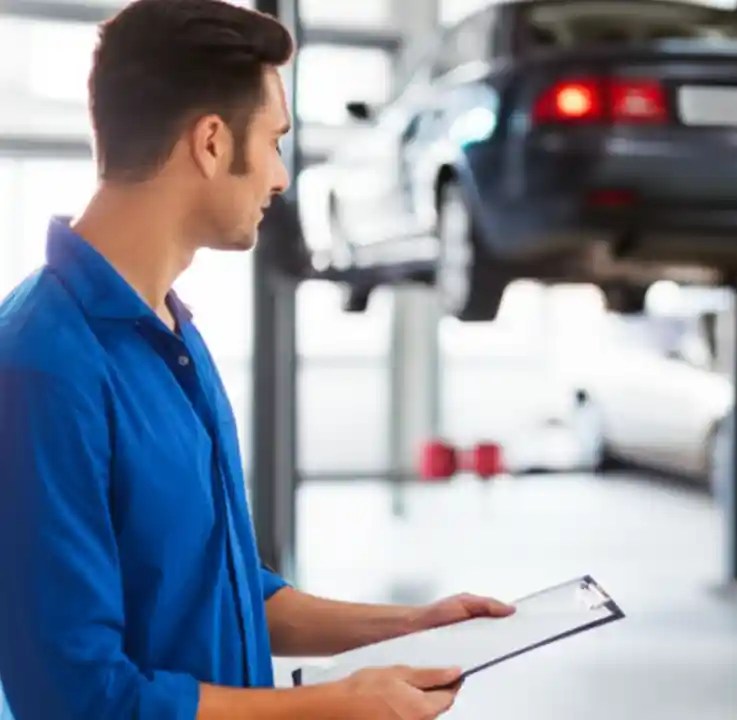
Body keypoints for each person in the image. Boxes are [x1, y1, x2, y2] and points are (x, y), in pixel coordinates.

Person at [0, 1, 514, 718]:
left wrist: (409, 626)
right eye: (274, 142)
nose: (279, 177)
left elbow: (226, 587)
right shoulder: (38, 369)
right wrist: (330, 706)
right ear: (211, 142)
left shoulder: (173, 335)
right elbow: (77, 698)